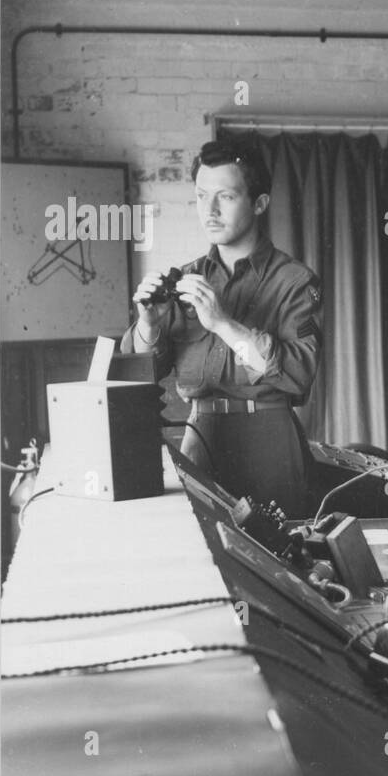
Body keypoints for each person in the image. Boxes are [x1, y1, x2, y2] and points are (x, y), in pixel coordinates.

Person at [121, 139, 322, 517]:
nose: (209, 210)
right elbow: (140, 380)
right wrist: (148, 324)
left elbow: (298, 375)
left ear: (259, 203)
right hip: (200, 436)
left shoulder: (294, 281)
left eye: (225, 197)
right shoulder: (186, 278)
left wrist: (223, 325)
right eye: (200, 196)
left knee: (278, 561)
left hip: (268, 441)